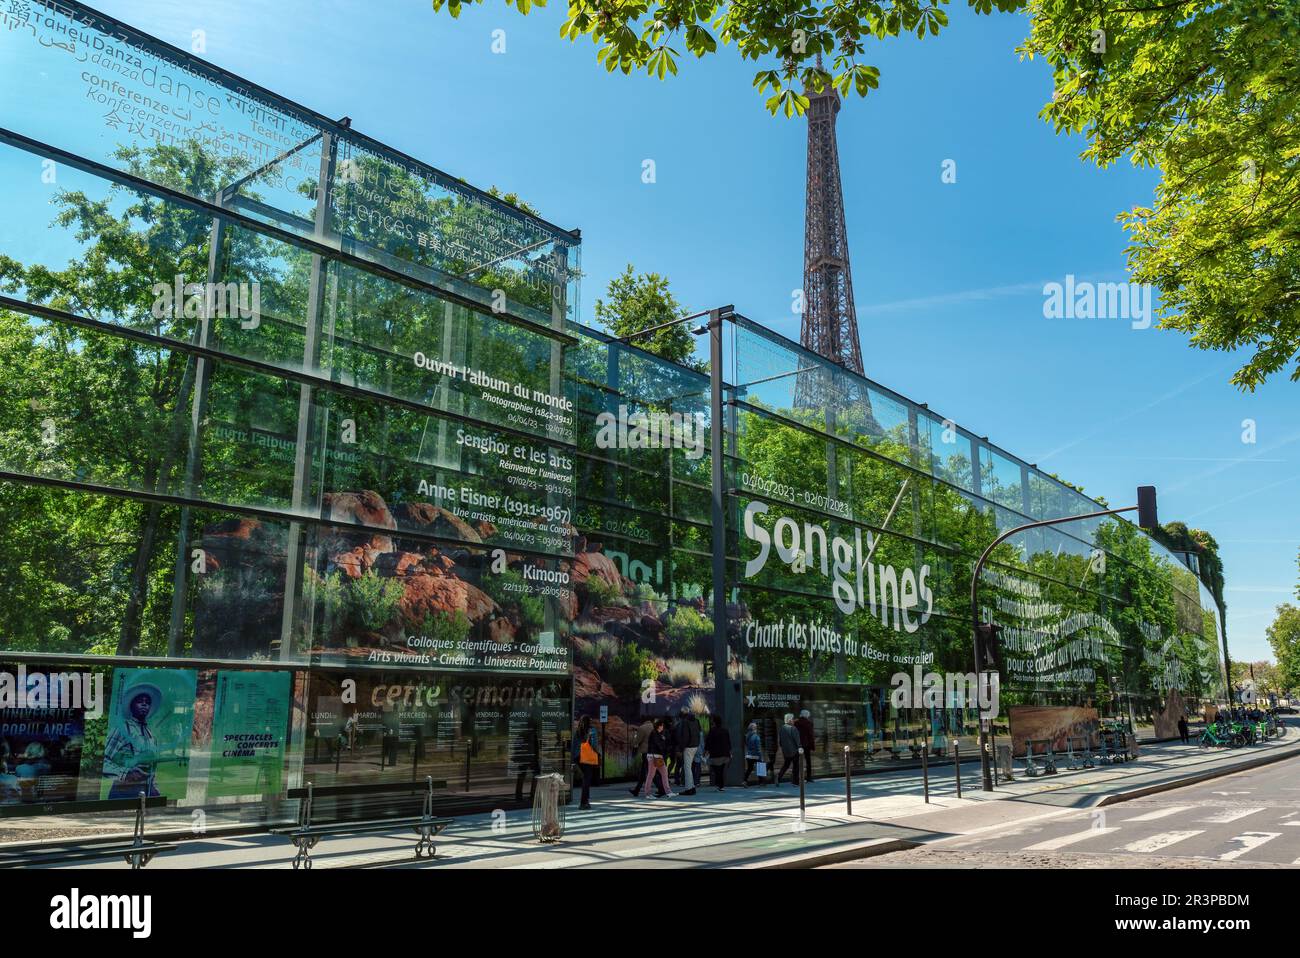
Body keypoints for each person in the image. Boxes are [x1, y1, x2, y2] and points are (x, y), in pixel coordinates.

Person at [642, 718, 674, 799]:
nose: (663, 726)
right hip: (654, 757)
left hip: (657, 757)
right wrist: (666, 750)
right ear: (659, 726)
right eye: (662, 725)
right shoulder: (654, 734)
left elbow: (662, 744)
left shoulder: (659, 733)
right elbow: (660, 745)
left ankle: (668, 792)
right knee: (651, 775)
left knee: (663, 773)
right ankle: (647, 793)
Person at [573, 715, 600, 810]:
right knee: (586, 781)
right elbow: (594, 744)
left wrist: (573, 759)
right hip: (587, 758)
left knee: (585, 779)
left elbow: (573, 746)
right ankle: (583, 802)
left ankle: (586, 801)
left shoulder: (577, 731)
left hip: (578, 757)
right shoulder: (592, 730)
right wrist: (597, 753)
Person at [628, 716, 659, 797]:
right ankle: (636, 790)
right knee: (644, 772)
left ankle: (662, 788)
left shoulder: (642, 728)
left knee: (651, 772)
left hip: (646, 753)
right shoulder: (655, 726)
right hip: (656, 752)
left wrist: (633, 736)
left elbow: (636, 742)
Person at [676, 707, 703, 795]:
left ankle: (689, 788)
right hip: (695, 745)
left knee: (687, 768)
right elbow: (699, 733)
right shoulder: (696, 720)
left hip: (688, 747)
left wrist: (681, 748)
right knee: (689, 767)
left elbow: (684, 736)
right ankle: (691, 787)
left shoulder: (684, 722)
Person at [704, 715, 731, 791]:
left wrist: (706, 750)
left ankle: (718, 785)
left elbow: (708, 742)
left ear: (714, 722)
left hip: (715, 754)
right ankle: (721, 785)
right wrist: (729, 751)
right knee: (721, 770)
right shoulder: (725, 731)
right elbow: (728, 742)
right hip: (724, 754)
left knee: (716, 770)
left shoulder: (712, 731)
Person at [776, 713, 802, 786]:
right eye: (793, 719)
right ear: (790, 720)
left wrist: (784, 747)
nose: (794, 720)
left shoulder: (782, 728)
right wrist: (800, 747)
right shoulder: (793, 728)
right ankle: (795, 782)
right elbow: (797, 740)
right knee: (796, 766)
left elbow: (780, 741)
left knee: (786, 765)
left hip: (786, 751)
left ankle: (778, 777)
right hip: (794, 750)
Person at [795, 709, 816, 782]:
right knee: (808, 761)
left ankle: (797, 778)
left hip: (798, 744)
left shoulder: (796, 723)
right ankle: (809, 777)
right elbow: (811, 735)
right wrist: (812, 745)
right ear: (807, 715)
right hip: (806, 745)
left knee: (797, 761)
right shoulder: (808, 723)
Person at [743, 722, 763, 786]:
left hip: (749, 754)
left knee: (749, 768)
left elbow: (746, 744)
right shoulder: (756, 737)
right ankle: (761, 782)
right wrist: (760, 755)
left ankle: (744, 781)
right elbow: (758, 747)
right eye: (756, 728)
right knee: (760, 767)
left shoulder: (747, 736)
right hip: (756, 755)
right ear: (754, 729)